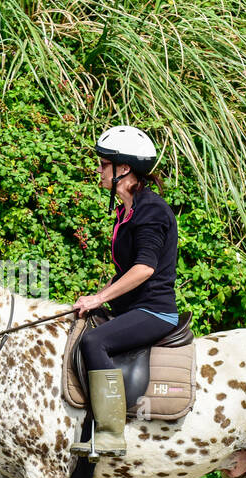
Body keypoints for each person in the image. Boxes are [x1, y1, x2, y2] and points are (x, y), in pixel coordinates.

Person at [69, 125, 180, 458]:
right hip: (131, 309)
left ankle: (110, 432)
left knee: (94, 340)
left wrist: (100, 298)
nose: (99, 170)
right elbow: (124, 273)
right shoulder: (126, 211)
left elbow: (144, 268)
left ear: (125, 169)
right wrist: (96, 299)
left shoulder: (151, 210)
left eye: (104, 164)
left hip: (154, 311)